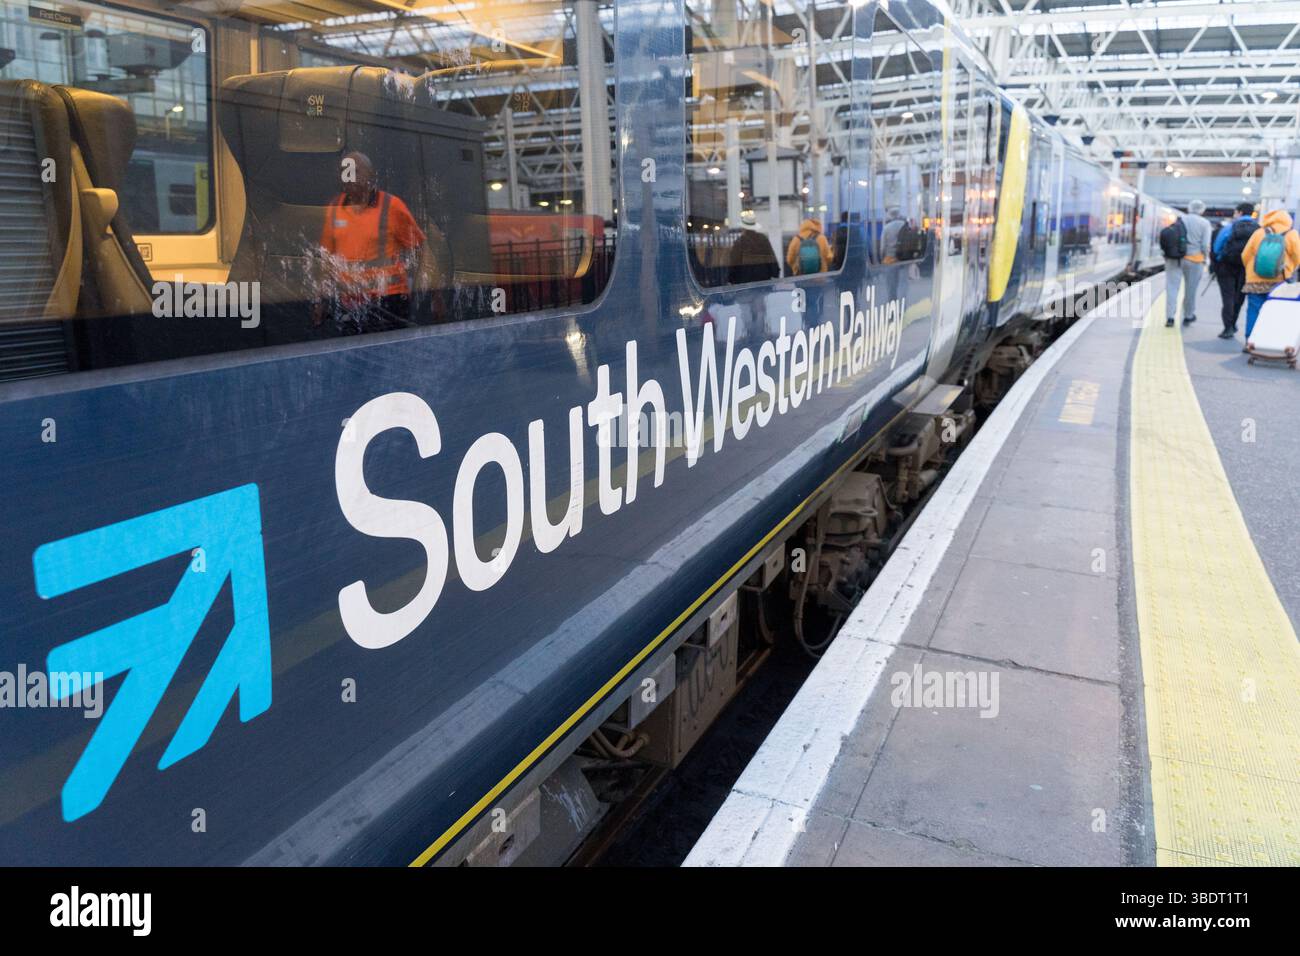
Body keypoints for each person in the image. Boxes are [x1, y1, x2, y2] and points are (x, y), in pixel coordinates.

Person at [315, 150, 429, 335]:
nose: (349, 176)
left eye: (355, 171)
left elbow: (420, 249)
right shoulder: (334, 209)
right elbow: (326, 260)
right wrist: (320, 300)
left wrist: (418, 293)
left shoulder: (392, 206)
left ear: (371, 175)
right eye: (344, 171)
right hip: (349, 303)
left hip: (389, 302)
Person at [1240, 208, 1300, 344]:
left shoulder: (1259, 232)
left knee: (1254, 309)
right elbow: (1298, 257)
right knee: (1276, 312)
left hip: (1255, 280)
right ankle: (1270, 341)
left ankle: (1249, 340)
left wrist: (1251, 271)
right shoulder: (1292, 234)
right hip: (1279, 281)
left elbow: (1245, 255)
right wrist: (1289, 269)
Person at [1211, 201, 1258, 339]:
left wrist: (1218, 261)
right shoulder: (1259, 229)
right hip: (1246, 268)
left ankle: (1228, 328)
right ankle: (1233, 323)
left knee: (1228, 298)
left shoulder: (1230, 227)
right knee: (1239, 298)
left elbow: (1216, 247)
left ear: (1240, 212)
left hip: (1226, 267)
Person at [1164, 199, 1212, 328]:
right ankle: (1188, 315)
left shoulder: (1180, 219)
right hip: (1195, 260)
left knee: (1172, 288)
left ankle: (1170, 317)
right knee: (1190, 290)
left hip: (1174, 258)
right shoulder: (1205, 223)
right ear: (1202, 210)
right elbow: (1204, 245)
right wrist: (1206, 259)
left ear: (1188, 208)